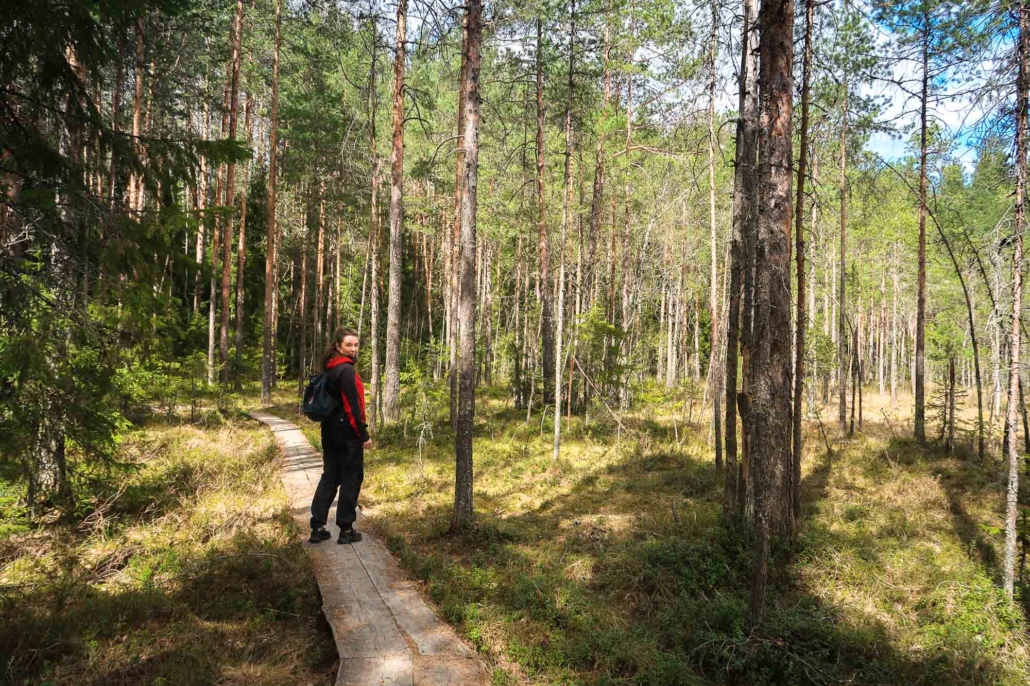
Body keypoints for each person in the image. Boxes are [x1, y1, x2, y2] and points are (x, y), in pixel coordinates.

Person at [309, 327, 371, 544]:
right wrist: (363, 435)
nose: (353, 349)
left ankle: (317, 527)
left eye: (356, 345)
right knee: (351, 479)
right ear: (338, 346)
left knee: (330, 477)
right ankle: (346, 529)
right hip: (347, 434)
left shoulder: (330, 367)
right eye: (349, 345)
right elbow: (352, 407)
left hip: (329, 432)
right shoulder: (345, 371)